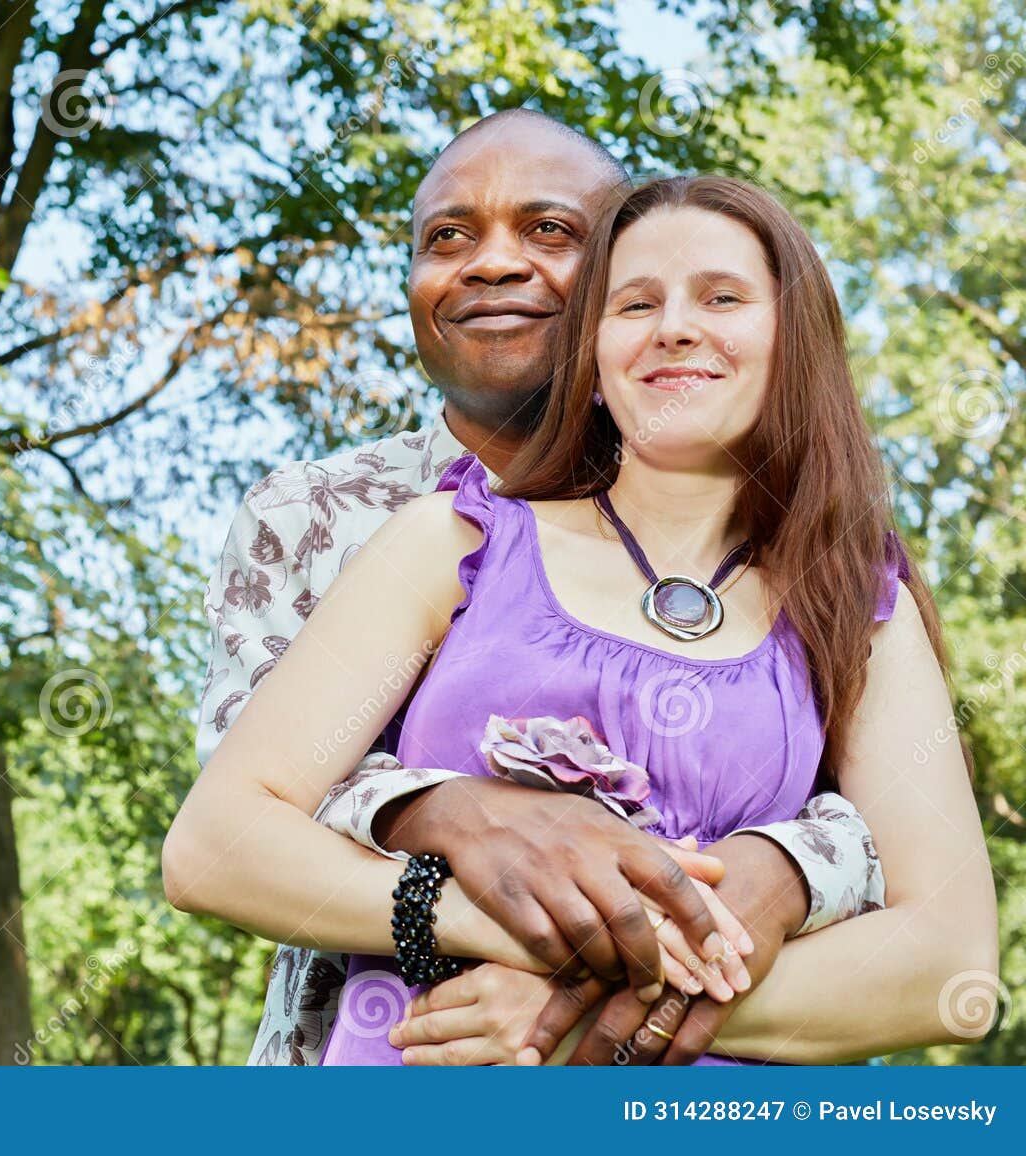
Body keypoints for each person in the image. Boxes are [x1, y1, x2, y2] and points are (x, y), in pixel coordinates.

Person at [166, 167, 998, 1064]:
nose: (675, 326)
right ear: (594, 361)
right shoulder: (449, 544)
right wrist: (489, 917)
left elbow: (952, 972)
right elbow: (217, 846)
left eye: (721, 297)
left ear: (792, 343)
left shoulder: (854, 602)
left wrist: (591, 1008)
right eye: (635, 305)